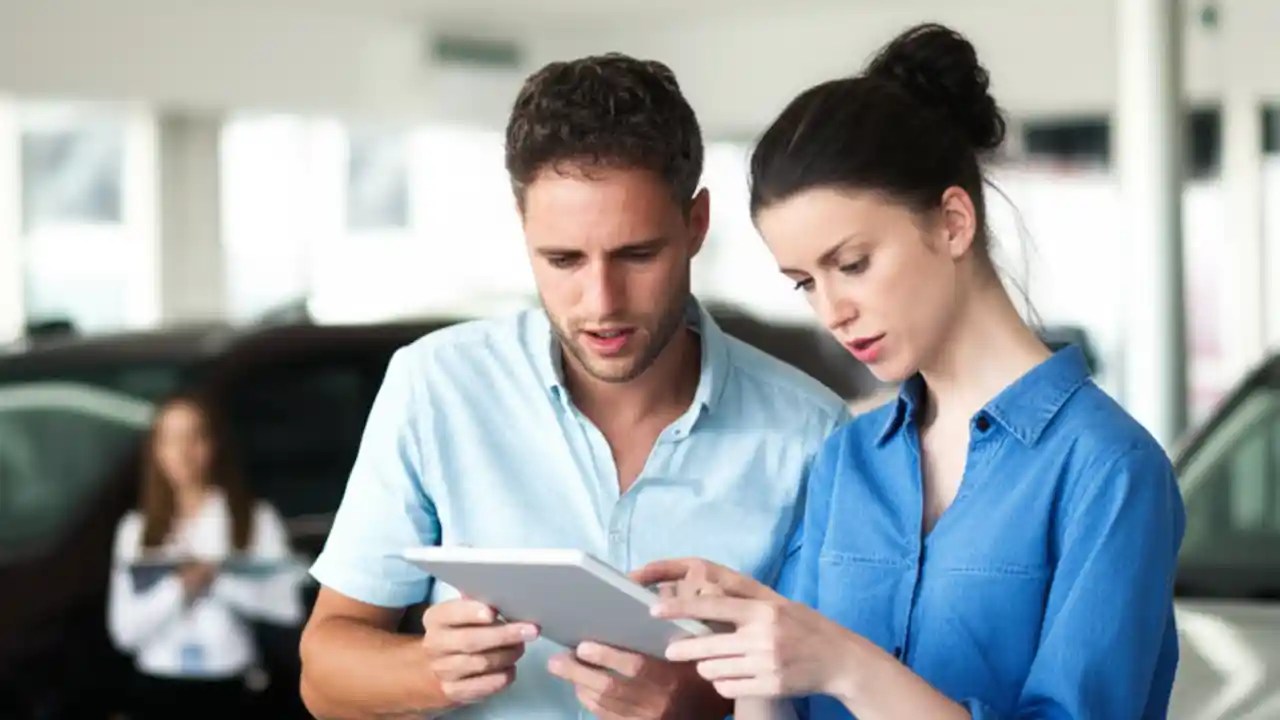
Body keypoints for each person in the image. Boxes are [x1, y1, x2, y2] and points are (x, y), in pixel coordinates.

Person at [636, 24, 1186, 720]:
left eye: (853, 263)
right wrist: (754, 647)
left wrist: (844, 664)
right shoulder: (847, 461)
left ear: (953, 222)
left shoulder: (1110, 471)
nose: (832, 310)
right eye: (804, 282)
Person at [298, 53, 849, 719]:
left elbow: (841, 688)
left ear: (696, 225)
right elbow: (323, 677)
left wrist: (699, 702)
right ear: (523, 227)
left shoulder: (813, 434)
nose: (601, 303)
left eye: (637, 255)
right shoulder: (435, 387)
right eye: (562, 260)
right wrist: (429, 670)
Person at [108, 392, 303, 718]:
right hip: (159, 685)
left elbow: (287, 608)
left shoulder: (254, 519)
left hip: (231, 683)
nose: (183, 453)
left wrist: (216, 578)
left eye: (194, 438)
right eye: (170, 440)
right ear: (156, 450)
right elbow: (124, 632)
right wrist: (180, 588)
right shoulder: (135, 529)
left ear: (214, 444)